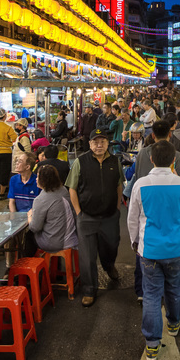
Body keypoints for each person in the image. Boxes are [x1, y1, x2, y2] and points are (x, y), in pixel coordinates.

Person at [127, 140, 180, 360]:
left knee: (151, 295)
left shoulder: (140, 184)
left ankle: (152, 343)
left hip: (149, 250)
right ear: (175, 160)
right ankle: (174, 323)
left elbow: (132, 219)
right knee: (174, 289)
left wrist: (134, 243)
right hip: (177, 248)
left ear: (151, 159)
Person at [67, 128, 125, 307]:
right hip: (87, 217)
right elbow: (72, 188)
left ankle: (109, 266)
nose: (99, 145)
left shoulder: (115, 162)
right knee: (87, 256)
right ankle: (89, 290)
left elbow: (118, 185)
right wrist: (79, 212)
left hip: (109, 216)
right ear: (90, 144)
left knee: (111, 246)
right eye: (95, 142)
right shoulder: (80, 162)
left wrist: (116, 208)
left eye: (102, 142)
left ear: (108, 143)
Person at [27, 166, 78, 253]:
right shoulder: (63, 190)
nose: (36, 179)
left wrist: (30, 216)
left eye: (38, 177)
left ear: (44, 180)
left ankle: (30, 263)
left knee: (27, 236)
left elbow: (35, 227)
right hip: (73, 237)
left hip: (54, 243)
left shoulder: (41, 199)